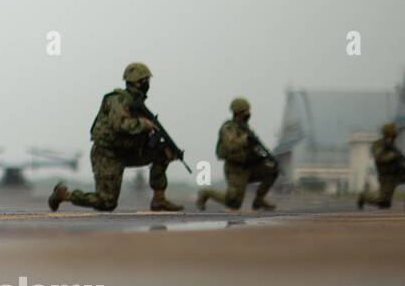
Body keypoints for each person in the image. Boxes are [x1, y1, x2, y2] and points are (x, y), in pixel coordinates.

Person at [48, 62, 183, 212]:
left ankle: (159, 199)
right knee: (106, 203)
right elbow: (120, 125)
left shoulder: (137, 103)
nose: (148, 84)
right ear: (138, 82)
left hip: (127, 151)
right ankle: (64, 194)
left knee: (162, 152)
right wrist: (145, 124)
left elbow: (137, 132)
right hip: (107, 154)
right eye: (146, 80)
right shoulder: (117, 100)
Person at [195, 97, 279, 211]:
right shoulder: (228, 128)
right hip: (235, 169)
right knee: (233, 203)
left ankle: (259, 200)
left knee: (273, 170)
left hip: (250, 167)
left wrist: (267, 157)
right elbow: (230, 145)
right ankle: (206, 193)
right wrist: (246, 139)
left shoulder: (245, 129)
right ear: (239, 112)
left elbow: (256, 148)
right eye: (246, 111)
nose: (249, 113)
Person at [357, 122, 402, 209]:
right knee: (384, 202)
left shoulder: (392, 146)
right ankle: (363, 196)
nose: (393, 138)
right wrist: (393, 155)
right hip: (387, 176)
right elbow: (379, 157)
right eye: (392, 135)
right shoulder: (379, 145)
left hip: (398, 172)